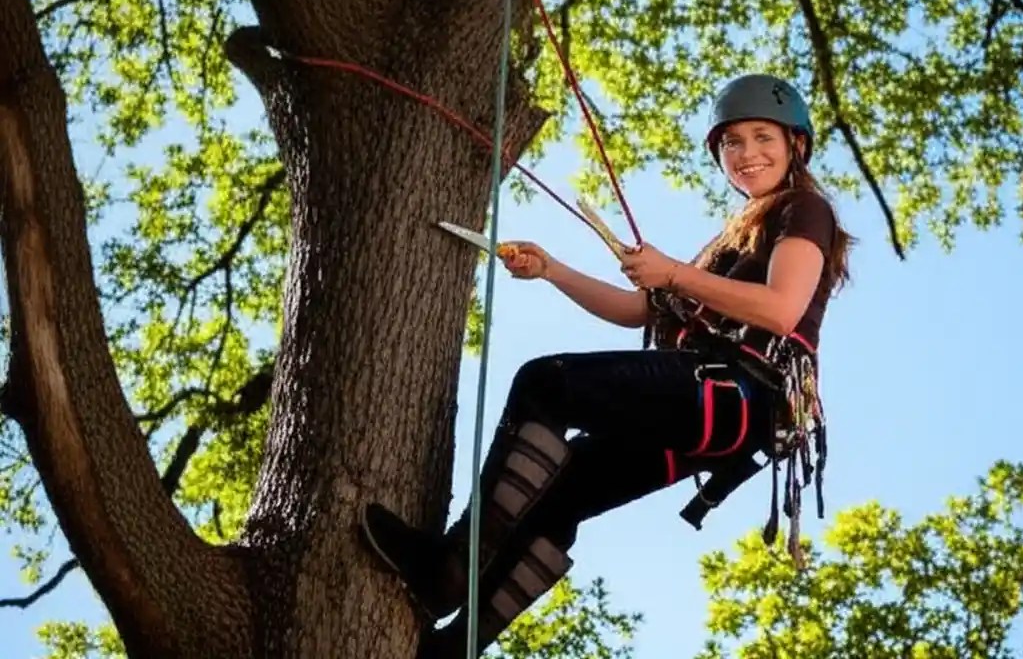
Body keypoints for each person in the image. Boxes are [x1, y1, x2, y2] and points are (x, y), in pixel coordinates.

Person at [359, 73, 854, 657]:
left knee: (546, 383)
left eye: (762, 137)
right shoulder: (726, 243)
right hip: (710, 419)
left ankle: (449, 566)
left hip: (732, 395)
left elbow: (780, 309)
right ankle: (455, 649)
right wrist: (553, 270)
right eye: (732, 142)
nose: (747, 155)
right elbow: (635, 311)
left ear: (796, 144)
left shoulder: (804, 209)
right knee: (561, 494)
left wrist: (673, 273)